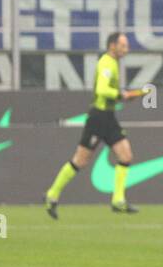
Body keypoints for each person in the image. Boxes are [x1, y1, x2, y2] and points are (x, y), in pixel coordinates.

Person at [44, 33, 147, 216]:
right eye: (123, 45)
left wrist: (123, 95)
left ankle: (118, 200)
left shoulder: (113, 63)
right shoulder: (106, 63)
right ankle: (52, 194)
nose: (126, 49)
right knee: (80, 160)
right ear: (112, 46)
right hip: (98, 118)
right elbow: (102, 89)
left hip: (108, 117)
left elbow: (108, 92)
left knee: (125, 155)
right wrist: (121, 95)